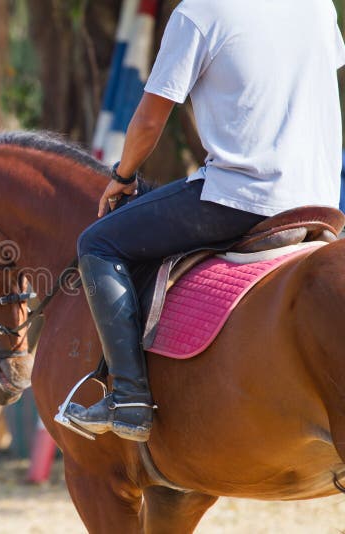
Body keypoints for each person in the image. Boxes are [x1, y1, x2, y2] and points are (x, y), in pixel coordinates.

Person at [62, 0, 345, 442]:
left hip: (242, 197)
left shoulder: (199, 13)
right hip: (322, 197)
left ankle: (129, 399)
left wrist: (123, 175)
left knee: (98, 244)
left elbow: (149, 121)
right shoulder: (317, 7)